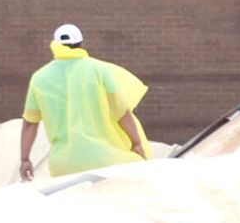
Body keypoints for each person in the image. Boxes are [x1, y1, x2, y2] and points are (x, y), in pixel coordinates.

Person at [20, 23, 151, 180]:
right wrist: (136, 143)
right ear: (81, 43)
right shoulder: (98, 70)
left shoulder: (39, 78)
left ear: (54, 45)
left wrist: (25, 159)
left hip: (63, 166)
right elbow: (121, 112)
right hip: (104, 161)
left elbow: (29, 123)